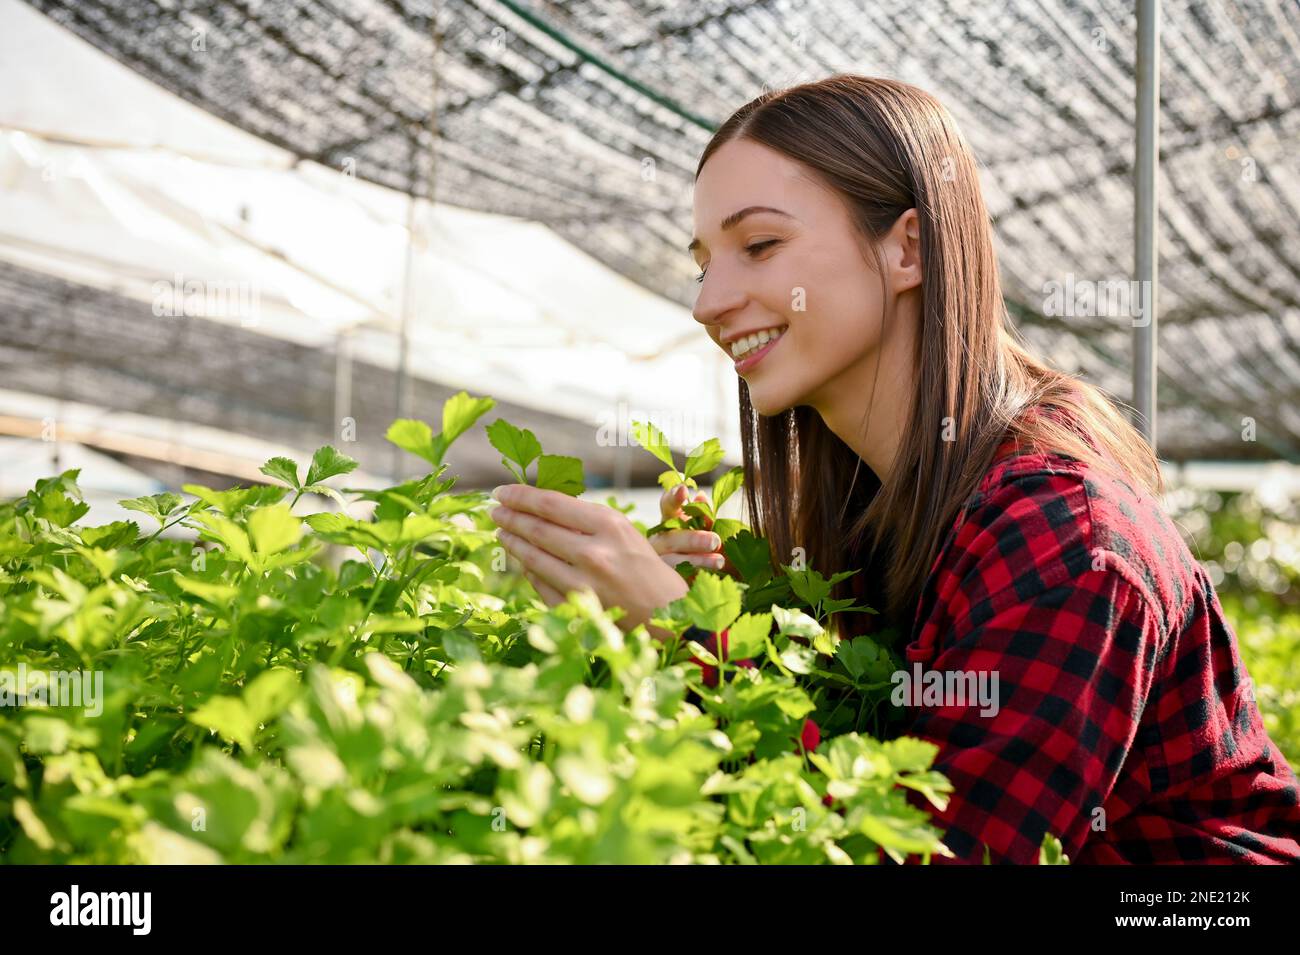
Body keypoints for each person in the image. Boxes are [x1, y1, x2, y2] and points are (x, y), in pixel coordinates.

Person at [488, 74, 1300, 864]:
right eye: (705, 263)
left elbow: (933, 851)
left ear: (908, 247)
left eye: (759, 245)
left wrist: (691, 638)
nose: (707, 303)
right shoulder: (889, 509)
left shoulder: (1061, 540)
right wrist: (726, 618)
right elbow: (874, 771)